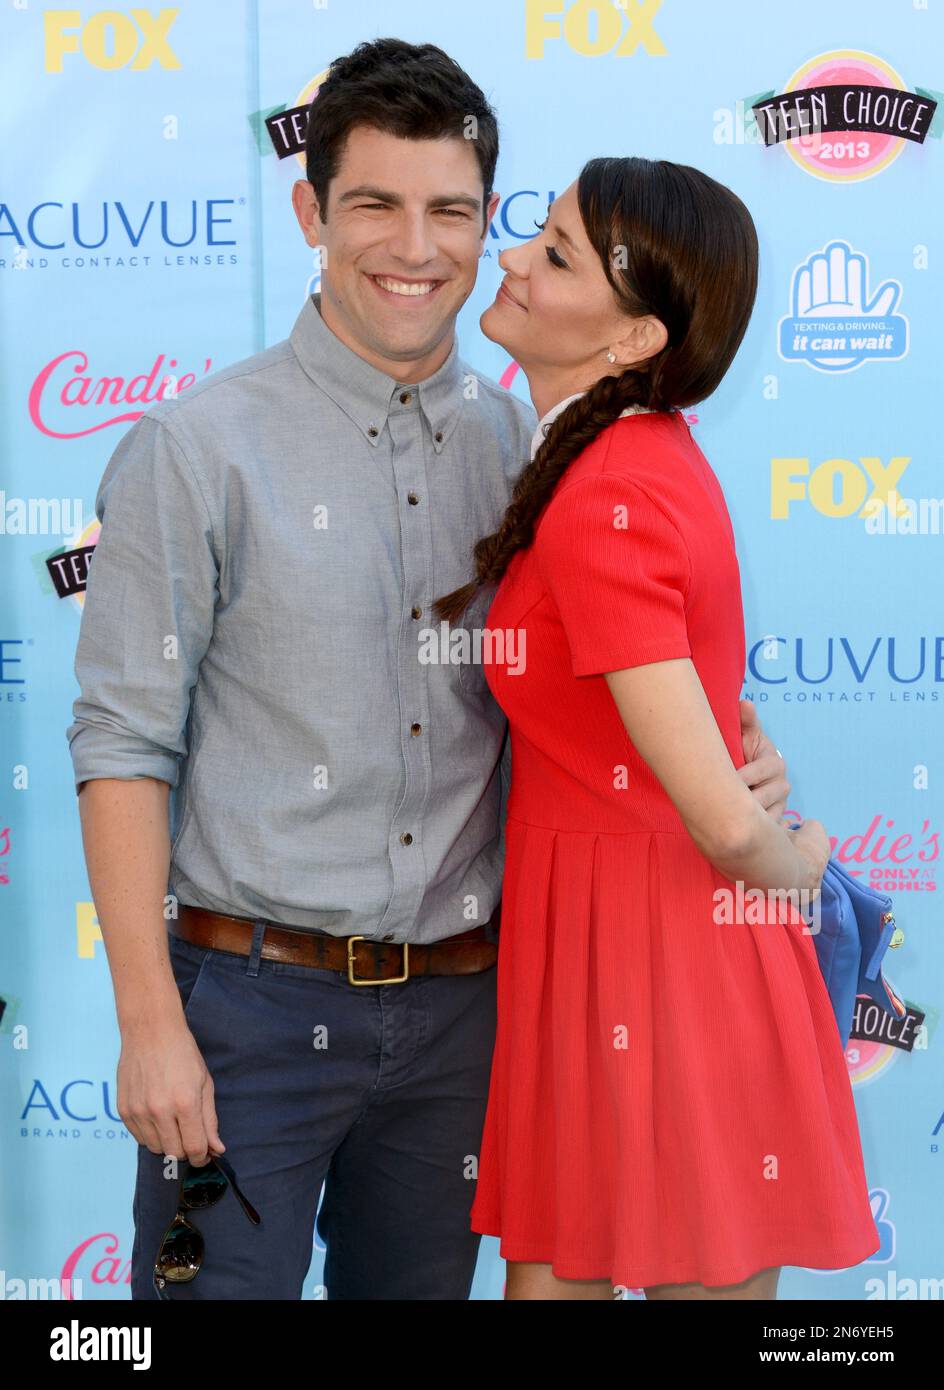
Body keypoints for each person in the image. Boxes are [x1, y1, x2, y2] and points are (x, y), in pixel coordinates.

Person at [67, 39, 791, 1300]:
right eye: (374, 205)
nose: (417, 245)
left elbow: (595, 672)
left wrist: (729, 746)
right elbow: (124, 743)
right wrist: (149, 1024)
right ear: (310, 211)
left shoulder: (531, 445)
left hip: (469, 1022)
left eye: (451, 209)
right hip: (245, 1018)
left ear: (483, 221)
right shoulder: (194, 450)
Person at [434, 158, 881, 1301]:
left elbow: (727, 825)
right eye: (534, 231)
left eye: (557, 253)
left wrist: (797, 869)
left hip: (662, 958)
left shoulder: (606, 491)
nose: (511, 256)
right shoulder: (612, 460)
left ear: (632, 338)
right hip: (599, 945)